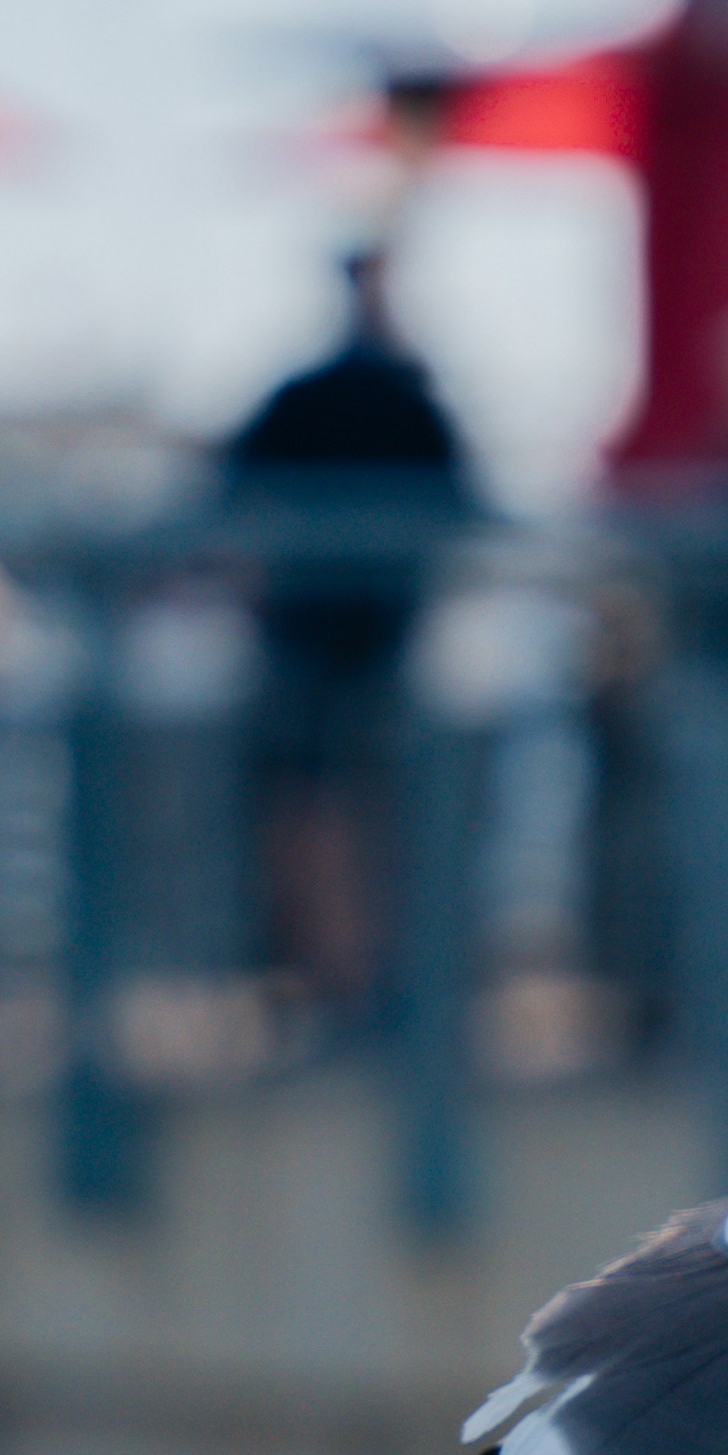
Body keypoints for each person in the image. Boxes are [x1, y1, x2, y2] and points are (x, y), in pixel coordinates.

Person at [222, 245, 475, 1011]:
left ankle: (340, 970)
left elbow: (230, 492)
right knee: (330, 804)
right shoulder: (383, 397)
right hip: (334, 638)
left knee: (335, 804)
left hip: (353, 639)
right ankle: (339, 969)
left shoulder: (352, 396)